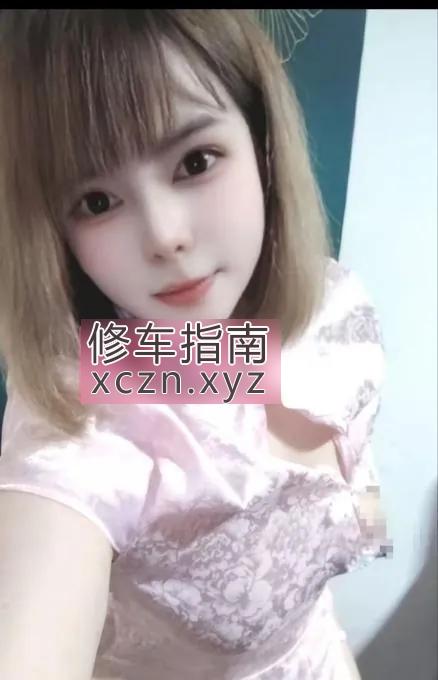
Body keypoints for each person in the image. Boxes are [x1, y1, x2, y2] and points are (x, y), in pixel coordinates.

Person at [0, 10, 388, 680]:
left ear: (262, 142)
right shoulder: (87, 422)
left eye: (194, 162)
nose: (164, 235)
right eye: (96, 202)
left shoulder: (332, 302)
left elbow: (251, 380)